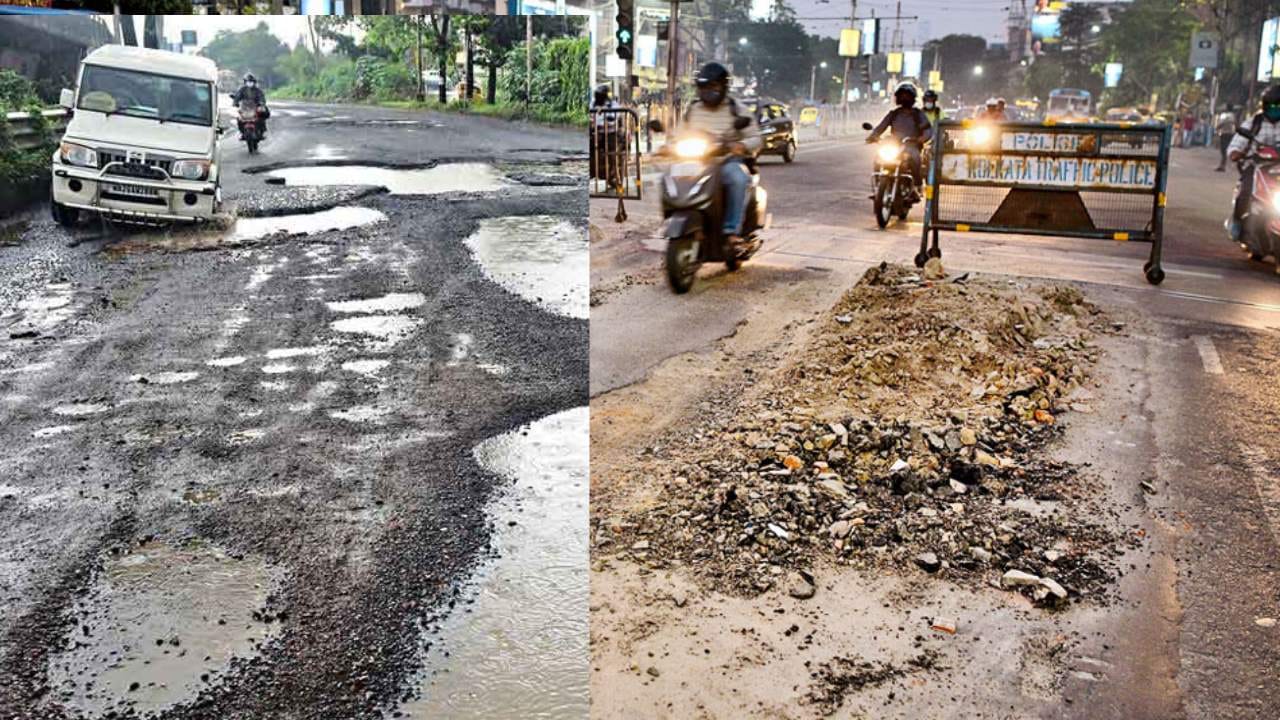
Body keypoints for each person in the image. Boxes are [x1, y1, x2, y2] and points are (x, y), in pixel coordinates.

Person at [683, 61, 762, 249]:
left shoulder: (736, 109)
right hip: (697, 161)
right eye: (703, 87)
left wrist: (740, 145)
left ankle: (732, 231)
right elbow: (680, 133)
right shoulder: (693, 109)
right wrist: (667, 146)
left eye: (713, 87)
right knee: (669, 176)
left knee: (737, 178)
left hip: (725, 161)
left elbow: (756, 138)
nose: (707, 91)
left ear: (723, 87)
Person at [1226, 86, 1280, 242]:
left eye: (1279, 107)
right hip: (1256, 166)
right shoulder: (1254, 123)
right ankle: (1237, 221)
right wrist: (1237, 153)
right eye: (1273, 107)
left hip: (1278, 167)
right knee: (1246, 191)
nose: (1276, 110)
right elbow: (1235, 146)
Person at [866, 82, 933, 192]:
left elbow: (928, 130)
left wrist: (921, 139)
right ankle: (878, 182)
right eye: (902, 95)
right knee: (878, 157)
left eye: (907, 95)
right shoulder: (894, 114)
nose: (904, 97)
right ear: (897, 97)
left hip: (911, 145)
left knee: (916, 158)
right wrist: (873, 136)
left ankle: (917, 185)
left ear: (912, 98)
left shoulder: (918, 114)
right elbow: (881, 127)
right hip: (894, 145)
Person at [231, 72, 269, 136]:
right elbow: (237, 96)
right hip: (245, 108)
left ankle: (262, 130)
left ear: (254, 82)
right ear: (245, 82)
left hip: (255, 107)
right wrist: (235, 102)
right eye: (248, 81)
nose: (250, 83)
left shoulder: (258, 90)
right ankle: (242, 132)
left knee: (263, 114)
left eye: (251, 81)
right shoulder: (242, 89)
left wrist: (261, 104)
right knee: (239, 119)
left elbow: (261, 97)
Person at [1215, 104, 1237, 171]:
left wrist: (1217, 128)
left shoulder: (1225, 115)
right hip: (1231, 133)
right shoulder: (1234, 116)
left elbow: (1221, 123)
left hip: (1225, 133)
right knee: (1227, 149)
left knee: (1223, 149)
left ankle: (1222, 165)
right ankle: (1224, 164)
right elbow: (1235, 124)